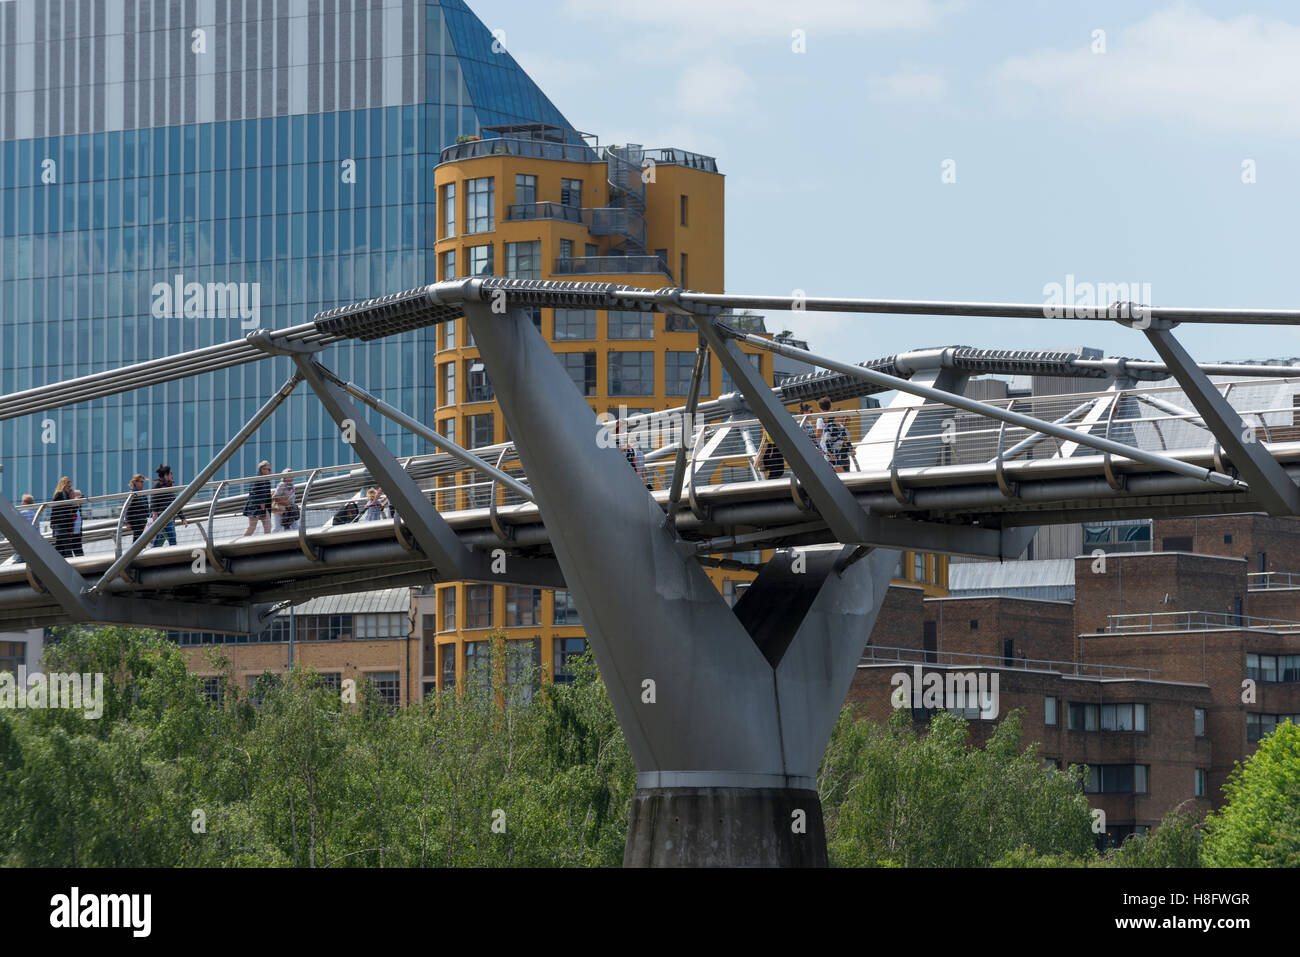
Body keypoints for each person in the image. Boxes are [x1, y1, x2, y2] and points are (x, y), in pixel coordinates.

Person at [150, 464, 186, 548]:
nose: (172, 475)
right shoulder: (158, 484)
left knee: (164, 539)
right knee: (167, 538)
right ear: (166, 475)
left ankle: (155, 554)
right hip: (160, 516)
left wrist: (182, 518)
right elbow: (154, 499)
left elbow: (175, 503)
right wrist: (155, 514)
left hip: (168, 517)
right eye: (171, 473)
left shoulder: (169, 485)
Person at [242, 460, 273, 536]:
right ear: (262, 470)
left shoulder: (267, 481)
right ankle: (242, 542)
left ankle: (268, 543)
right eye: (268, 469)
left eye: (270, 469)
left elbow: (266, 495)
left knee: (268, 526)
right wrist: (261, 502)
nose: (270, 471)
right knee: (252, 527)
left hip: (263, 508)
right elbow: (252, 493)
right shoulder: (257, 480)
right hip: (254, 507)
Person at [51, 477, 77, 557]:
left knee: (60, 547)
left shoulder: (60, 494)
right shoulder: (62, 494)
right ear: (64, 486)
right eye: (68, 486)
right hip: (62, 525)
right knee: (66, 547)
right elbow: (65, 511)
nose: (70, 488)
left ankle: (54, 562)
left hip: (60, 525)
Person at [10, 494, 37, 565]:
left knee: (19, 559)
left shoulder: (23, 513)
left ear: (24, 502)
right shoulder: (34, 514)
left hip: (24, 541)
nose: (21, 503)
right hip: (33, 541)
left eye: (22, 502)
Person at [123, 473, 151, 543]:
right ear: (135, 482)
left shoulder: (143, 494)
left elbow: (147, 509)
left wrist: (150, 520)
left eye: (143, 482)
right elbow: (127, 508)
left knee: (141, 540)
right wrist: (128, 522)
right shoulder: (132, 493)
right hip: (136, 522)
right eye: (141, 482)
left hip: (143, 521)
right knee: (138, 540)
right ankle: (133, 553)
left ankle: (135, 552)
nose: (143, 483)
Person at [68, 489, 86, 557]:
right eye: (78, 496)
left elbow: (83, 500)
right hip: (71, 534)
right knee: (69, 553)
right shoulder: (71, 507)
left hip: (77, 534)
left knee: (79, 553)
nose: (80, 498)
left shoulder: (79, 507)